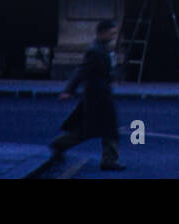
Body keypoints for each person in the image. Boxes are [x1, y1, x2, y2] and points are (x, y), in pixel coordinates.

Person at [51, 19, 125, 171]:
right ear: (102, 33)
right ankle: (59, 144)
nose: (113, 36)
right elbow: (81, 71)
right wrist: (68, 90)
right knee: (90, 130)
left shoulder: (102, 48)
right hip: (96, 97)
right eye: (111, 33)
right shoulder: (95, 50)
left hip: (102, 95)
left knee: (107, 129)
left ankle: (109, 160)